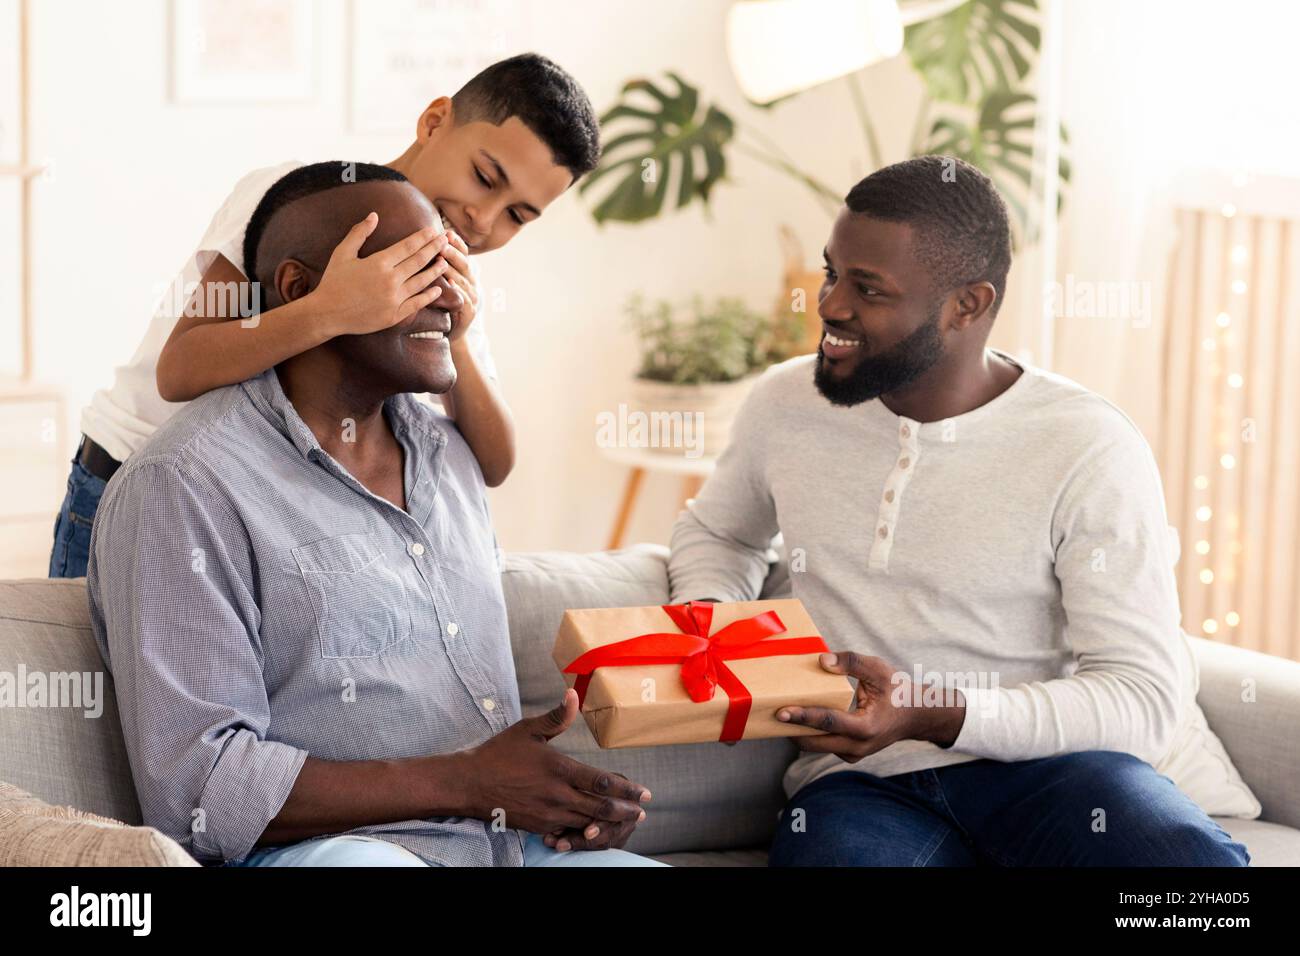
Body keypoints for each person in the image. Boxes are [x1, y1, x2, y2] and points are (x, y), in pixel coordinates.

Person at [668, 156, 1249, 867]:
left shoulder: (1086, 445)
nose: (828, 306)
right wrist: (710, 630)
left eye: (867, 288)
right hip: (859, 785)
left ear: (966, 305)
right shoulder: (785, 405)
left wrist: (933, 713)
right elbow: (719, 531)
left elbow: (1144, 699)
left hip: (1058, 775)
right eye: (832, 273)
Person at [87, 163, 663, 868]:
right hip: (339, 854)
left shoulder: (450, 460)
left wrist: (566, 800)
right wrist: (467, 781)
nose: (450, 294)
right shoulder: (183, 484)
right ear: (301, 291)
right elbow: (197, 789)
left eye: (450, 265)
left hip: (507, 848)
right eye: (414, 270)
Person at [51, 52, 597, 577]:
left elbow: (495, 464)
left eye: (518, 216)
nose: (483, 219)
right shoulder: (293, 201)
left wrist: (460, 340)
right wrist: (332, 309)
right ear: (434, 122)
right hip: (129, 484)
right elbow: (180, 371)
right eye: (484, 176)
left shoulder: (447, 278)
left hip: (256, 519)